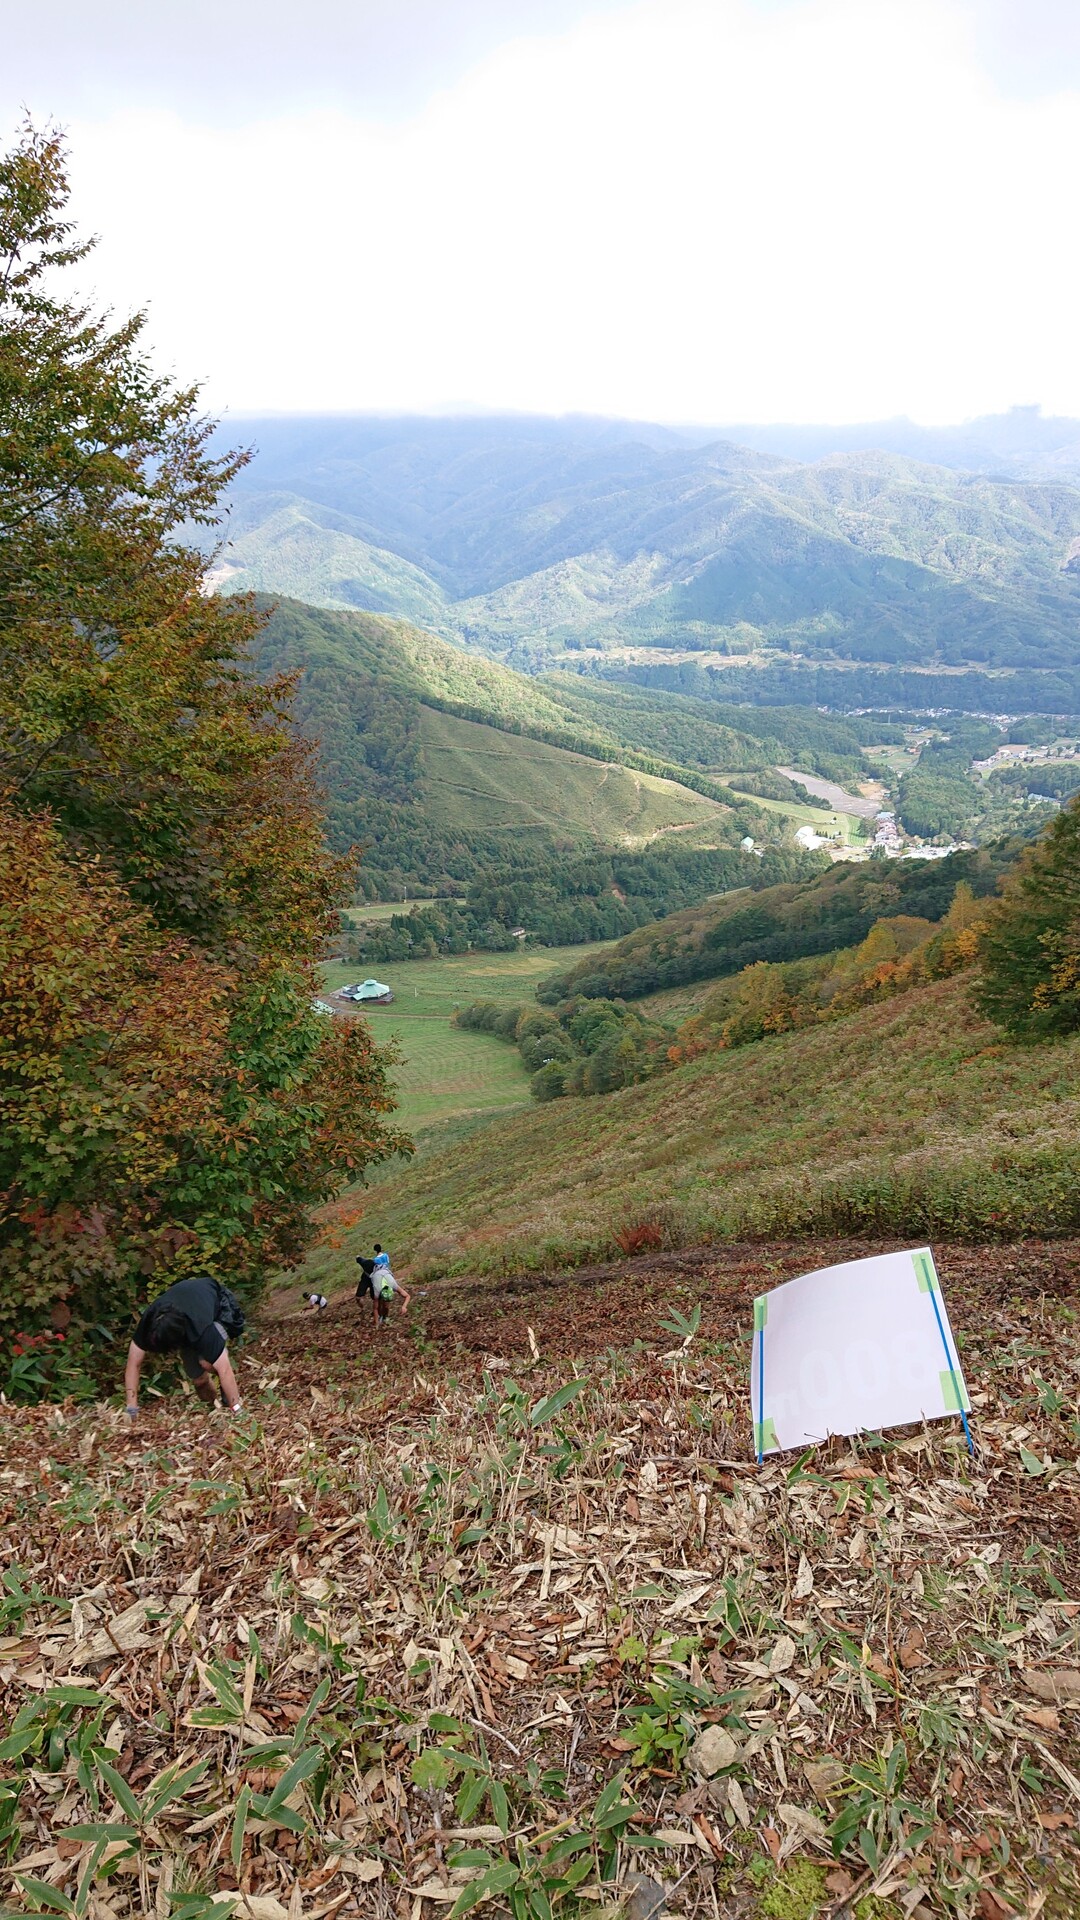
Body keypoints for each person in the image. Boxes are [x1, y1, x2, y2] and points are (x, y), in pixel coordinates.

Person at [124, 1276, 245, 1418]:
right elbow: (133, 1364)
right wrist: (131, 1408)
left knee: (207, 1363)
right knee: (199, 1380)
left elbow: (225, 1370)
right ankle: (213, 1410)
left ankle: (229, 1398)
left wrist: (237, 1410)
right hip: (186, 1310)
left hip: (219, 1306)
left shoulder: (202, 1329)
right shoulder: (150, 1324)